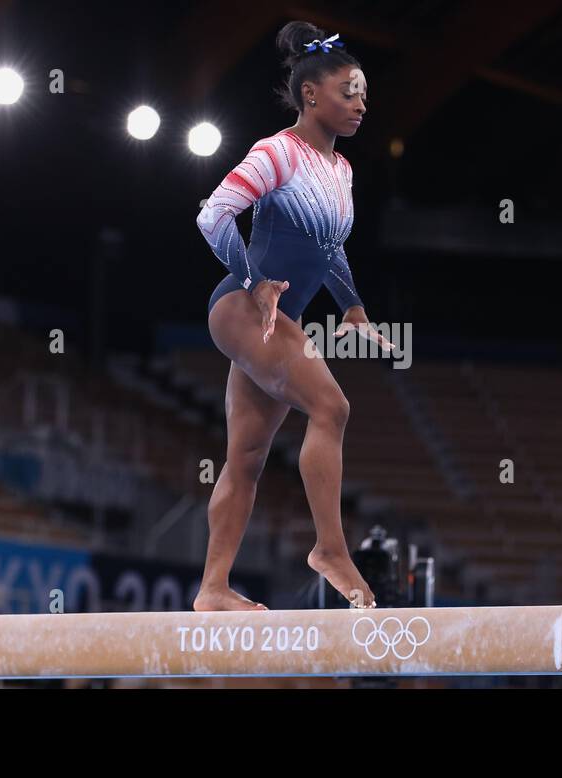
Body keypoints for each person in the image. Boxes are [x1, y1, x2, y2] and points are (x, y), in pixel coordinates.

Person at [193, 20, 392, 611]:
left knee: (246, 458)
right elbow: (213, 216)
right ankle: (330, 548)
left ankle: (212, 588)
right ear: (311, 94)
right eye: (348, 91)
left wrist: (353, 308)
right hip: (240, 307)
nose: (360, 103)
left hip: (276, 319)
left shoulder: (342, 170)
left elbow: (329, 247)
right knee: (332, 406)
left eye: (363, 92)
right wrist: (254, 283)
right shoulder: (278, 152)